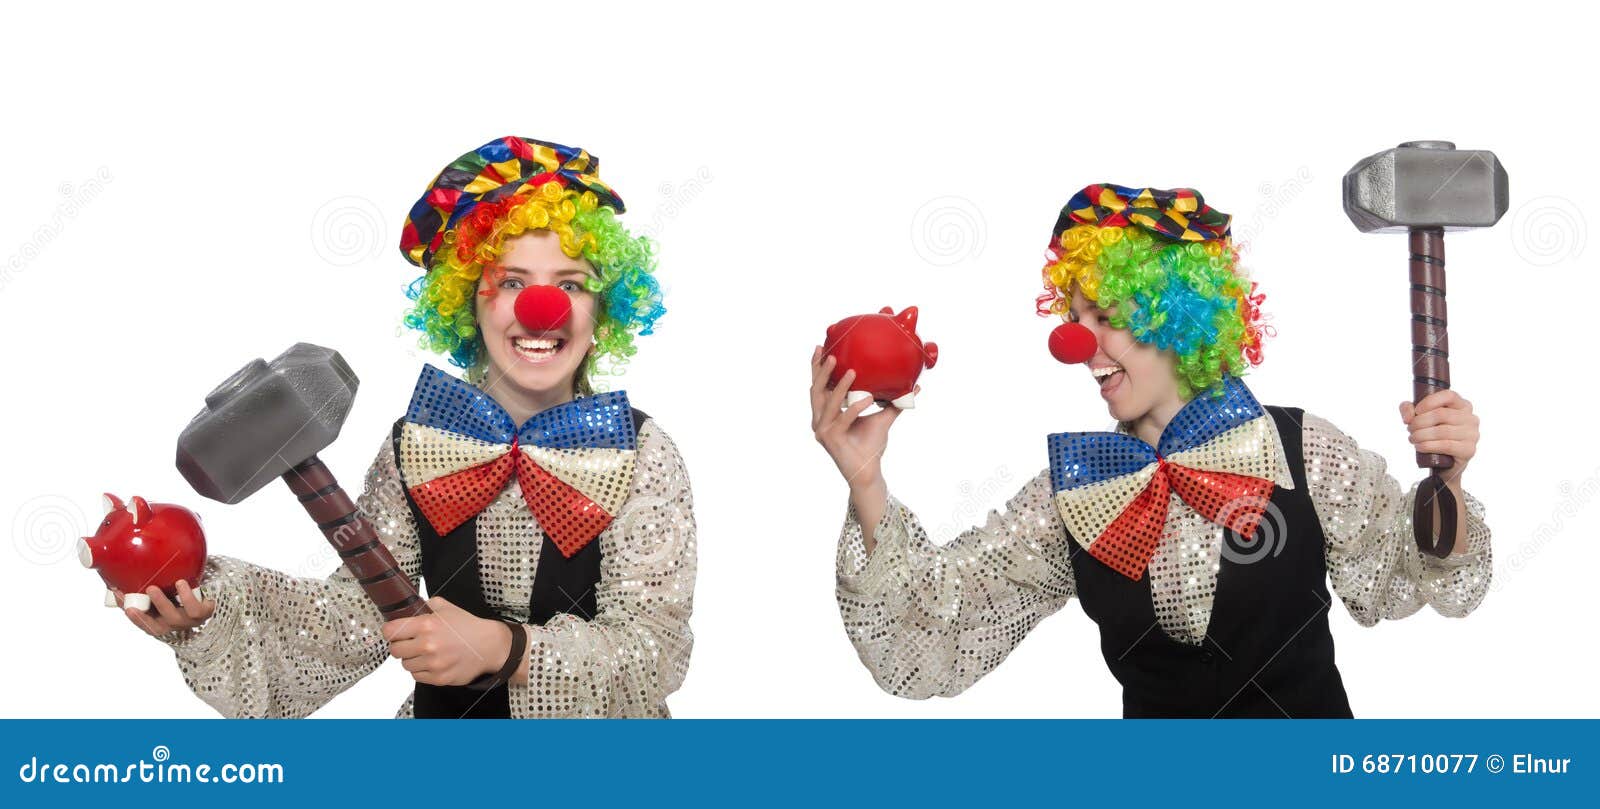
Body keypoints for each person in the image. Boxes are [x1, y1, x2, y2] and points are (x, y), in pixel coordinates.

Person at [809, 183, 1491, 717]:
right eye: (1075, 319)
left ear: (1177, 313)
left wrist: (1449, 482)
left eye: (1105, 318)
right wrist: (867, 482)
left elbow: (1405, 578)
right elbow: (937, 637)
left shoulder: (1303, 449)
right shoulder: (1076, 492)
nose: (1078, 345)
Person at [120, 136, 696, 718]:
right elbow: (352, 623)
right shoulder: (417, 447)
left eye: (570, 284)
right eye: (512, 282)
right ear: (469, 303)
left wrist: (504, 648)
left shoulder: (641, 453)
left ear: (604, 311)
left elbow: (655, 653)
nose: (539, 306)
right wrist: (211, 607)